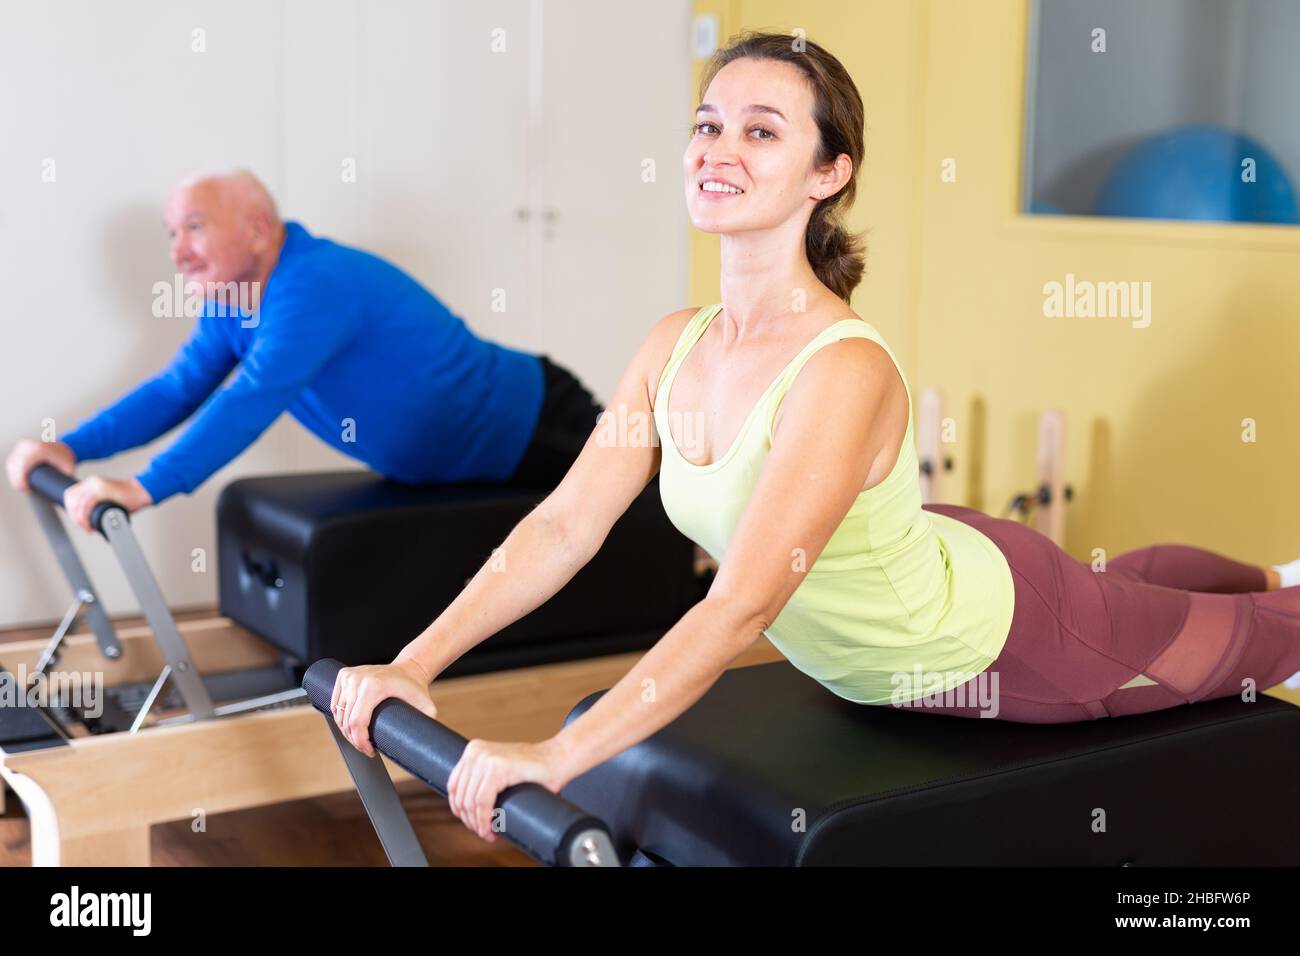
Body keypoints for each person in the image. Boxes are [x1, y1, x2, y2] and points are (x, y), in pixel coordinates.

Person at [326, 31, 1300, 844]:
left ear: (826, 173)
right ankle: (1264, 570)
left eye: (760, 130)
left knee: (1242, 645)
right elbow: (564, 525)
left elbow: (739, 607)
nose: (719, 148)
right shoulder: (674, 342)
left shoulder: (841, 368)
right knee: (1128, 583)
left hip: (1003, 638)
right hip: (938, 572)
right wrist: (415, 661)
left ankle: (1279, 593)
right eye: (708, 125)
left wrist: (557, 754)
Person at [5, 170, 601, 529]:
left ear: (257, 229)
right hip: (465, 467)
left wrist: (142, 488)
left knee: (652, 524)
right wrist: (70, 447)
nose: (177, 249)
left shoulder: (313, 283)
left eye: (193, 226)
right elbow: (175, 389)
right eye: (171, 233)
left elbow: (251, 398)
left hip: (539, 422)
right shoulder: (233, 305)